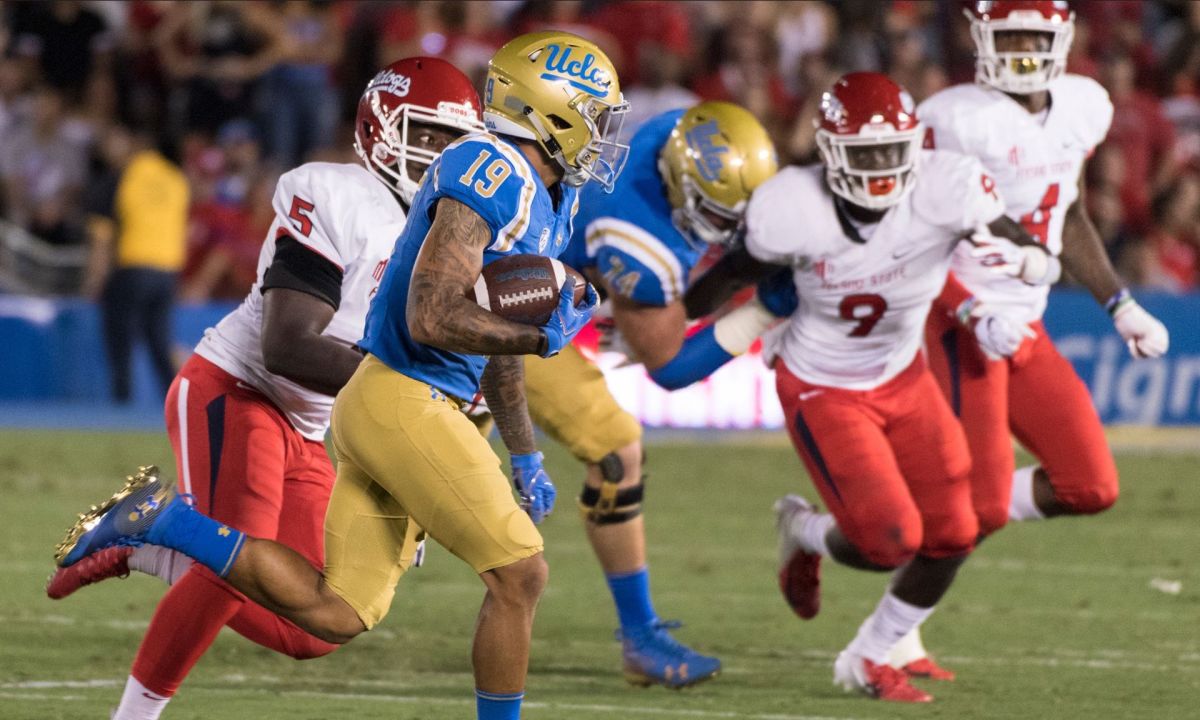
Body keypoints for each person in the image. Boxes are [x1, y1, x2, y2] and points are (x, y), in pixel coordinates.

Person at [52, 31, 622, 720]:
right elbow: (315, 339)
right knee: (512, 573)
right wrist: (507, 362)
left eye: (453, 139)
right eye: (431, 138)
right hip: (263, 389)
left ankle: (160, 534)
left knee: (323, 619)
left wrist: (522, 447)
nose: (444, 155)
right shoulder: (365, 189)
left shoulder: (521, 204)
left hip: (340, 413)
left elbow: (489, 346)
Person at [687, 72, 1056, 702]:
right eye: (866, 154)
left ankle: (867, 658)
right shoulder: (790, 208)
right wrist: (698, 301)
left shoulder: (947, 186)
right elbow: (715, 288)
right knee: (889, 542)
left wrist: (1031, 259)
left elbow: (1013, 236)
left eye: (892, 151)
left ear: (915, 146)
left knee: (954, 534)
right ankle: (804, 531)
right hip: (824, 387)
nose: (882, 167)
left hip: (902, 376)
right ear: (830, 153)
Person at [883, 0, 1170, 677]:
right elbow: (910, 236)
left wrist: (1119, 304)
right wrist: (969, 311)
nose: (1017, 49)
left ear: (1063, 40)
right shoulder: (952, 118)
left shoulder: (1083, 106)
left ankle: (917, 511)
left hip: (1027, 319)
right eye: (1005, 34)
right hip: (957, 320)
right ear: (978, 37)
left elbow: (1063, 210)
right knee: (978, 507)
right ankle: (889, 634)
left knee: (1089, 484)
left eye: (1031, 36)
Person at [519, 100, 777, 687]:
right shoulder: (636, 237)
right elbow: (666, 365)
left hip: (539, 292)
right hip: (506, 327)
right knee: (617, 450)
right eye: (718, 213)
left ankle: (639, 635)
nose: (731, 225)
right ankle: (639, 638)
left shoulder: (683, 133)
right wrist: (765, 306)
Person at [82, 122, 190, 403]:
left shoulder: (119, 178)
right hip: (167, 272)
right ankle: (177, 407)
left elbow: (102, 237)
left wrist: (94, 279)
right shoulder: (175, 178)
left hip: (132, 268)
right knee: (159, 344)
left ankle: (122, 408)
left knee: (121, 343)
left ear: (130, 142)